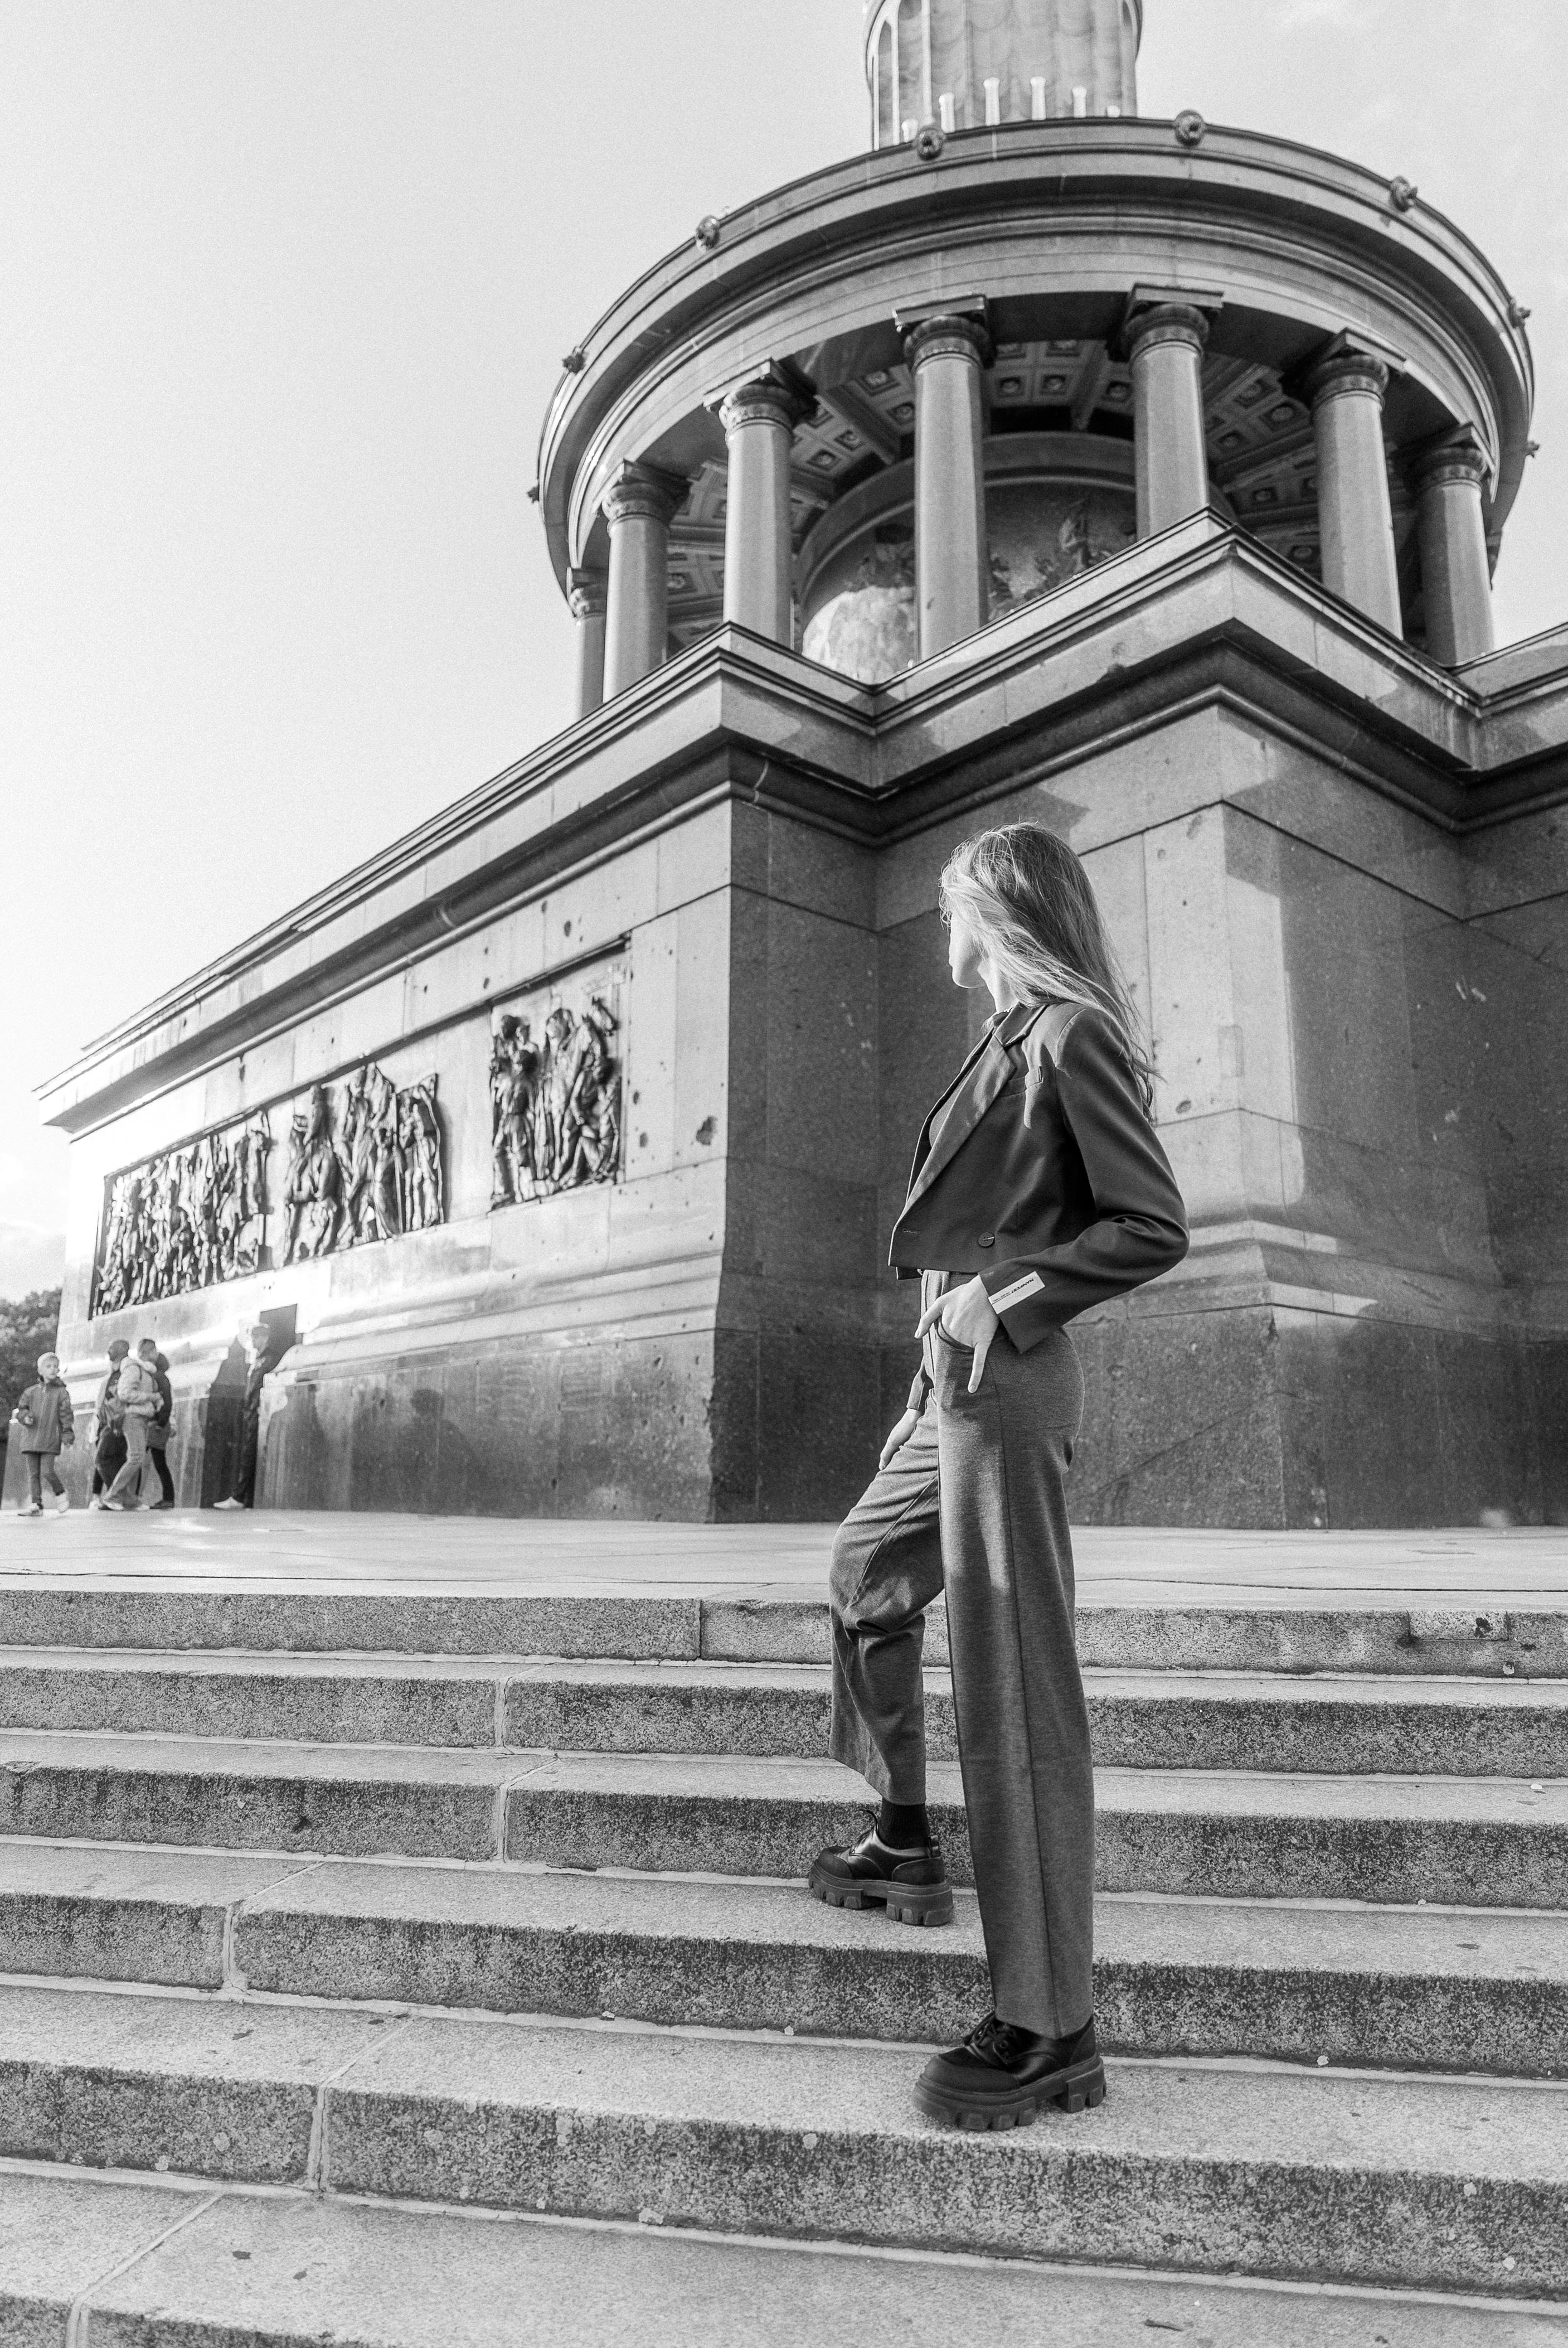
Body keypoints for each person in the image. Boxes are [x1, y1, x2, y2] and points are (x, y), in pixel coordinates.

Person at [813, 823, 1188, 2132]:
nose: (939, 927)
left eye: (948, 906)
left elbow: (1149, 1222)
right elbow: (956, 1231)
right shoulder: (1000, 1040)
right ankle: (901, 1831)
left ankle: (1046, 2022)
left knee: (1010, 1687)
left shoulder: (1070, 1035)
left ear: (996, 910)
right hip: (950, 1388)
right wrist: (920, 1389)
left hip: (1009, 1378)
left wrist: (1010, 1293)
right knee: (862, 1568)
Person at [101, 1338, 163, 1511]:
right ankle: (113, 1495)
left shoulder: (141, 1370)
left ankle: (130, 1500)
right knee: (136, 1457)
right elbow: (125, 1393)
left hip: (141, 1417)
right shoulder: (133, 1369)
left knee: (137, 1459)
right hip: (133, 1417)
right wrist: (151, 1397)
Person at [11, 1353, 74, 1516]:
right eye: (48, 1366)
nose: (52, 1369)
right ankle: (36, 1505)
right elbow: (21, 1410)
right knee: (33, 1474)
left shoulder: (61, 1393)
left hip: (50, 1439)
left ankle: (60, 1492)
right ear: (40, 1370)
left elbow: (66, 1416)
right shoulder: (30, 1392)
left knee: (47, 1471)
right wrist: (25, 1417)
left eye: (55, 1366)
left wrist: (67, 1435)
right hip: (30, 1439)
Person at [87, 1338, 132, 1509]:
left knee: (104, 1458)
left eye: (111, 1348)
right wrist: (97, 1423)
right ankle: (102, 1497)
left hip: (117, 1423)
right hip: (105, 1423)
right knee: (105, 1458)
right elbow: (101, 1403)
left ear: (122, 1350)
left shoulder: (126, 1373)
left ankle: (116, 1496)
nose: (108, 1351)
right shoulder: (110, 1376)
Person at [145, 1350, 176, 1509]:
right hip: (159, 1425)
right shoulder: (162, 1378)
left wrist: (160, 1422)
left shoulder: (158, 1378)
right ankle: (168, 1498)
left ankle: (131, 1495)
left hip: (155, 1426)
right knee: (160, 1462)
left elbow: (166, 1402)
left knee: (138, 1460)